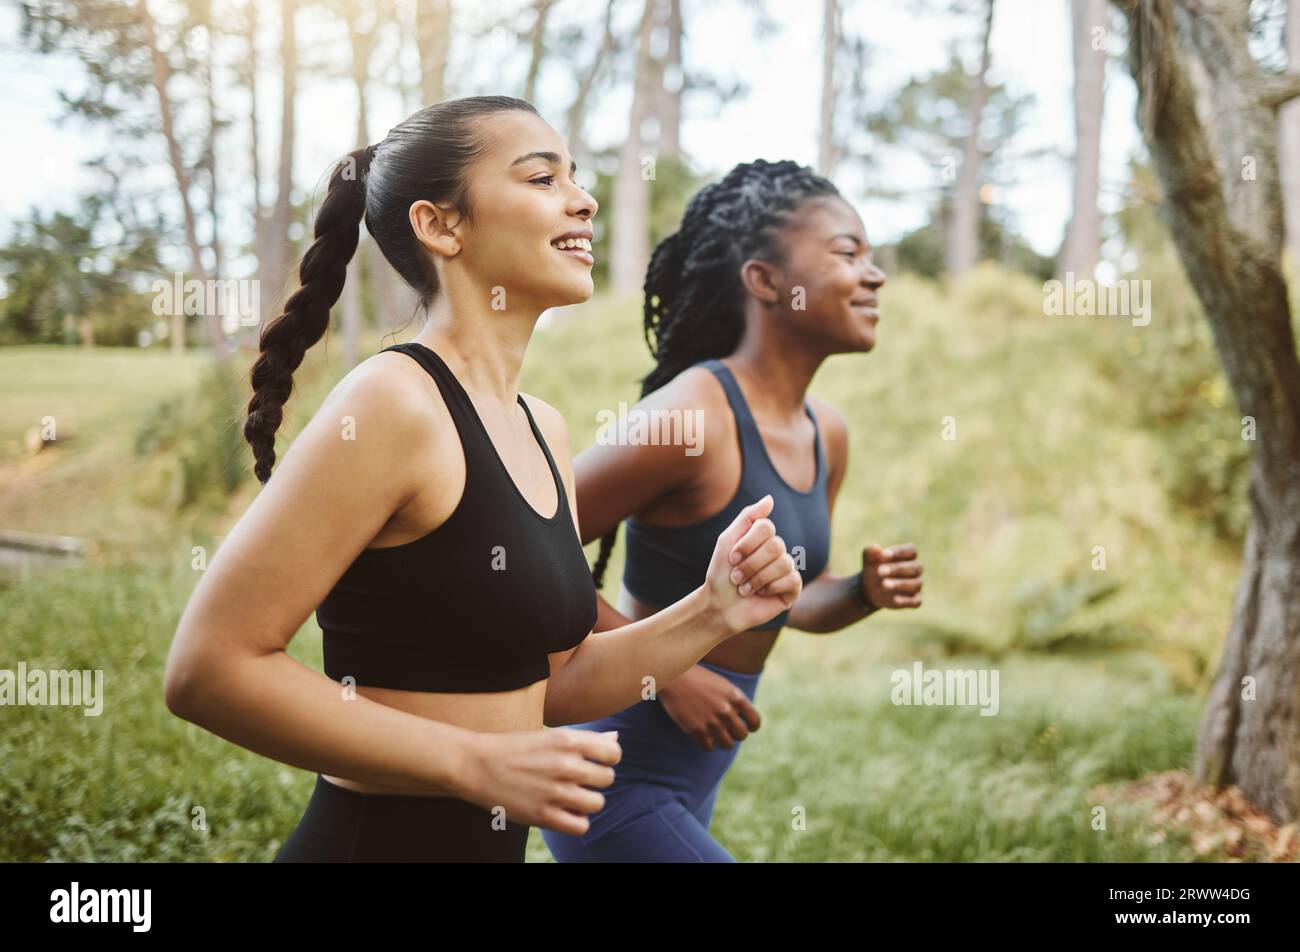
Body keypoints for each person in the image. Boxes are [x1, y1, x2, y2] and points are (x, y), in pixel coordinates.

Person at [162, 98, 803, 863]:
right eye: (541, 178)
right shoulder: (393, 403)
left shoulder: (544, 427)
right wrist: (472, 763)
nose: (584, 198)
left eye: (577, 177)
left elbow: (555, 684)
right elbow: (208, 669)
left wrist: (711, 611)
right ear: (441, 226)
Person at [541, 160, 923, 863]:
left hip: (693, 776)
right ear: (765, 281)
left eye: (873, 256)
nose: (876, 275)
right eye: (847, 253)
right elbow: (521, 548)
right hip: (611, 771)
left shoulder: (826, 431)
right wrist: (673, 674)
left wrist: (861, 593)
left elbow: (793, 601)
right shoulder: (693, 415)